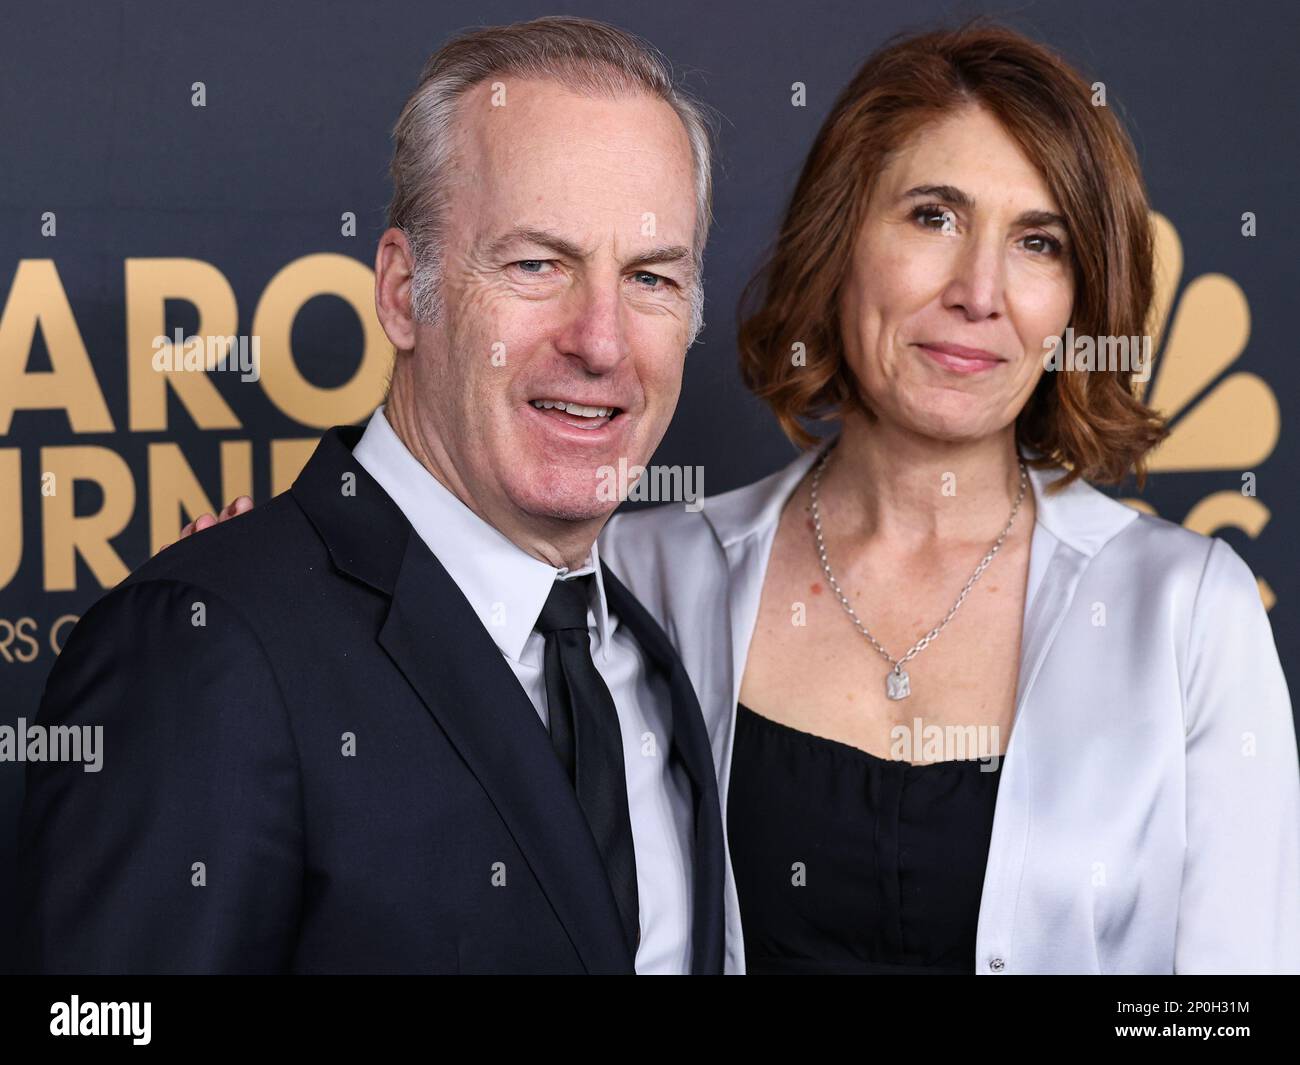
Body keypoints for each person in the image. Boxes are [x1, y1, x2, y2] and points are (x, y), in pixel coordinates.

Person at [171, 22, 1300, 975]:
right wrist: (273, 587)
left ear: (1080, 293)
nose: (976, 294)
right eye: (931, 218)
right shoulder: (644, 570)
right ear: (838, 242)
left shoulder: (1183, 613)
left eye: (1038, 242)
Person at [17, 17, 729, 975]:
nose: (600, 341)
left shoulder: (643, 655)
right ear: (402, 290)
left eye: (650, 277)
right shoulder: (206, 649)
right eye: (535, 264)